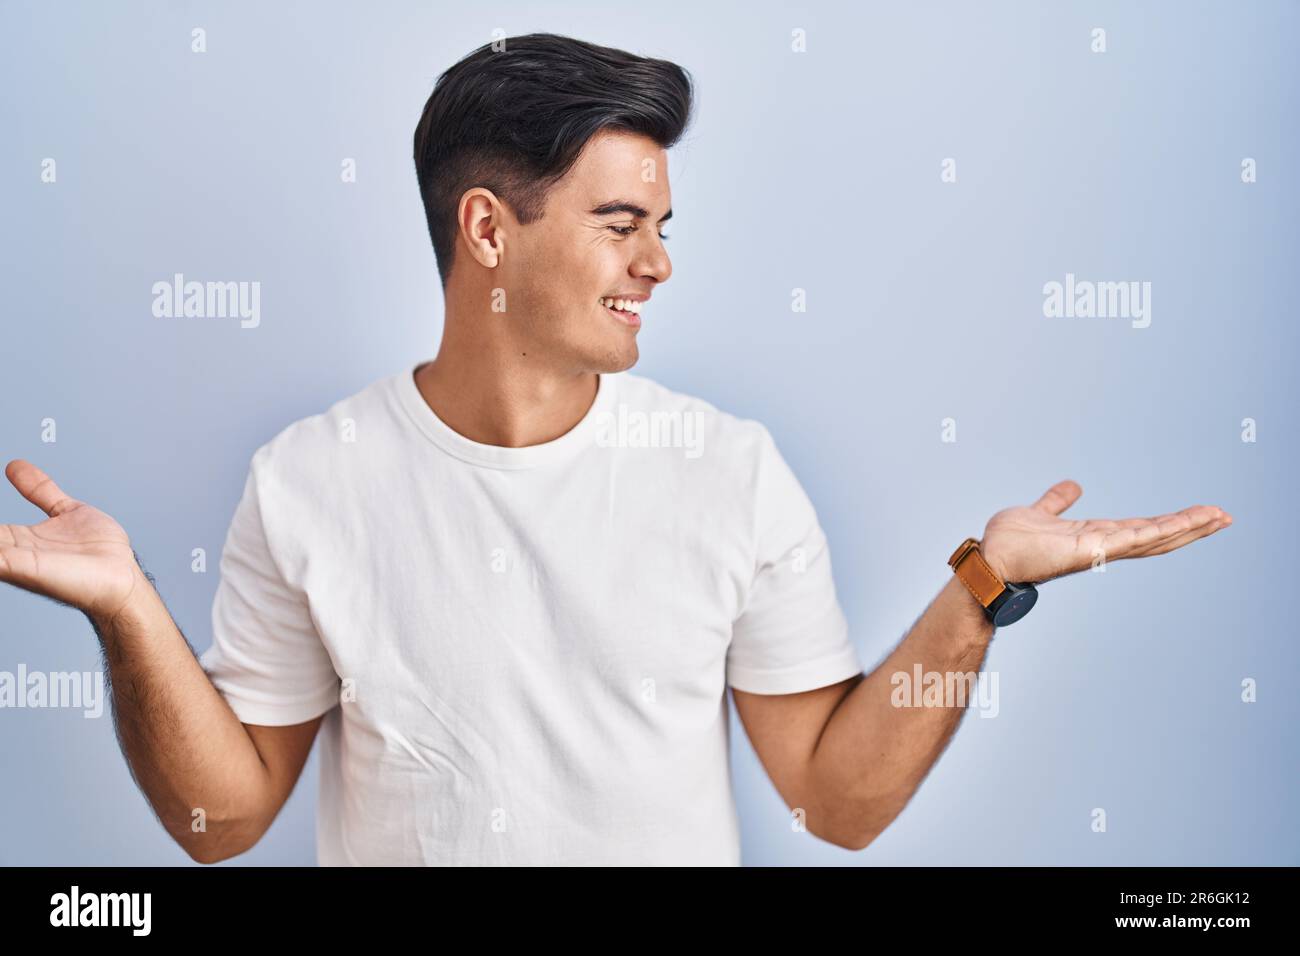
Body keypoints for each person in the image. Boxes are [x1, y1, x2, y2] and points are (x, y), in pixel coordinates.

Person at [0, 33, 1232, 865]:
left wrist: (983, 587)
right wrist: (125, 608)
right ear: (488, 228)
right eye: (620, 223)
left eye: (663, 226)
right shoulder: (309, 479)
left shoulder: (730, 471)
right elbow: (221, 817)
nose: (659, 263)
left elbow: (835, 798)